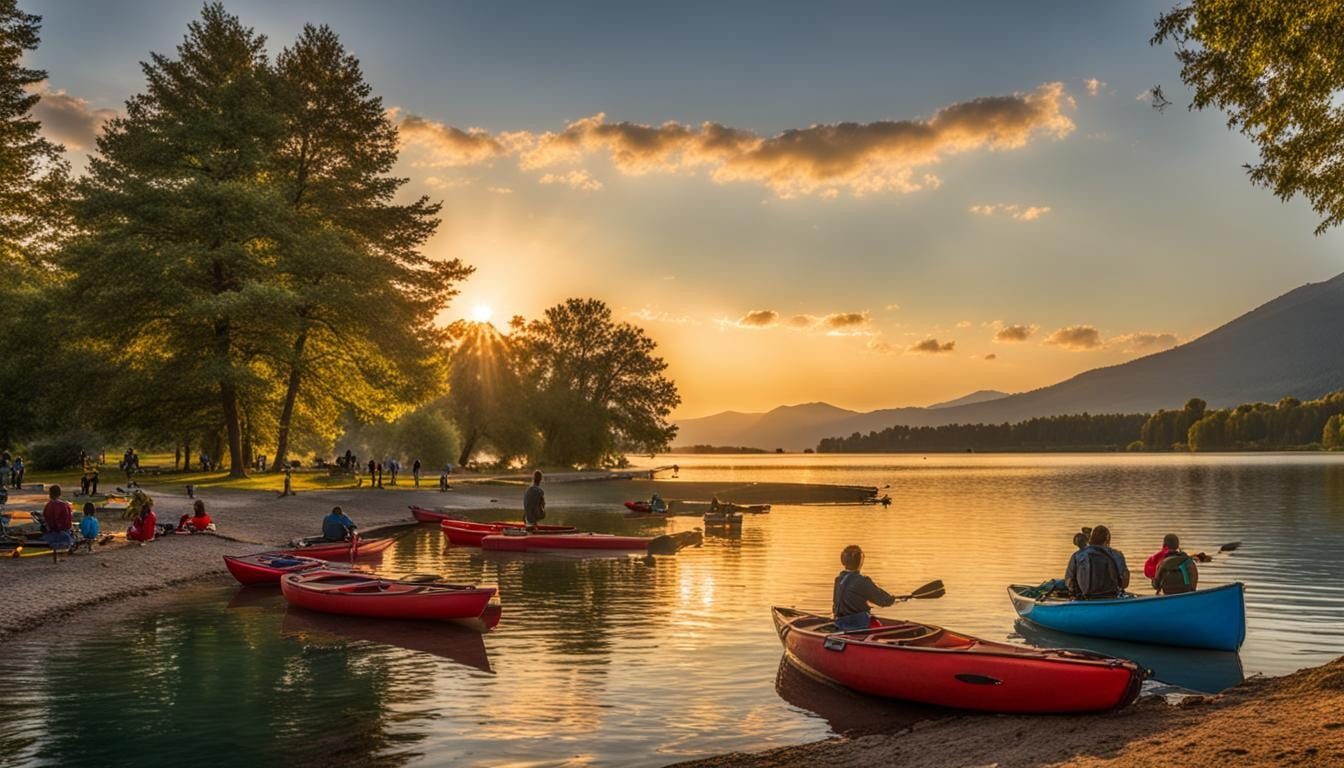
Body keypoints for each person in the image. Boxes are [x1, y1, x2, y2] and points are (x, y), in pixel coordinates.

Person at [833, 545, 897, 632]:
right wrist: (893, 599)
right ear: (860, 561)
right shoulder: (862, 581)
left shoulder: (838, 579)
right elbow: (883, 601)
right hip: (858, 624)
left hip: (840, 623)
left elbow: (836, 604)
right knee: (878, 625)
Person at [1065, 525, 1130, 599]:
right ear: (1107, 538)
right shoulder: (1116, 554)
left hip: (1085, 597)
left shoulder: (1077, 555)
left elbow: (1069, 581)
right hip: (1111, 596)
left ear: (1091, 538)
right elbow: (1125, 583)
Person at [41, 485, 74, 552]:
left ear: (50, 494)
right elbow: (68, 521)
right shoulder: (64, 505)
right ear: (60, 494)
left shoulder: (48, 505)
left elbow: (45, 518)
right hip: (63, 531)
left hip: (52, 532)